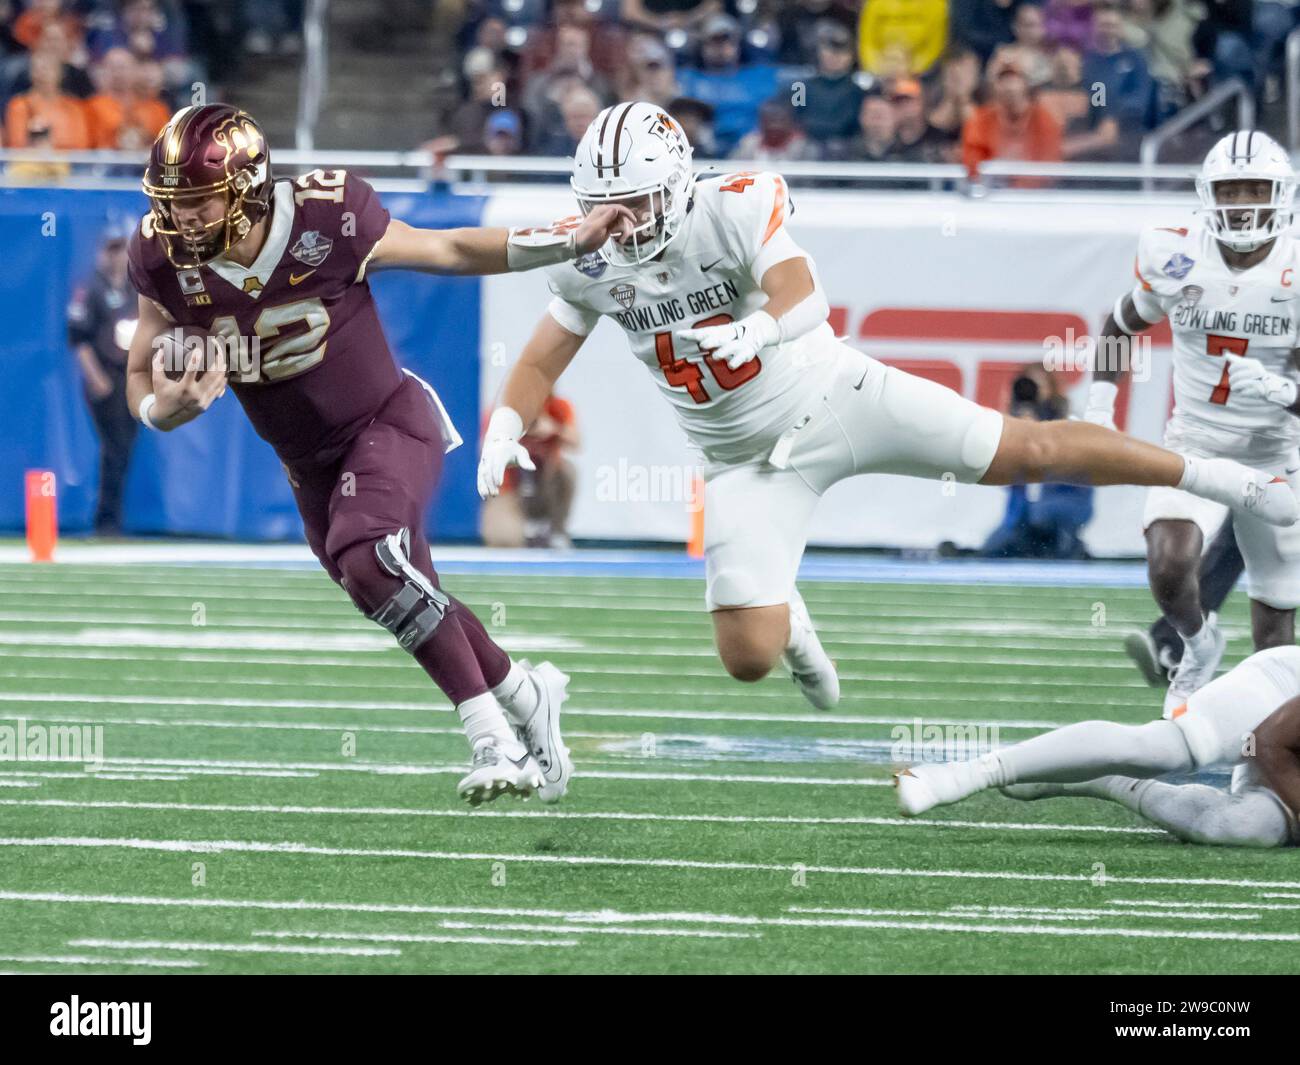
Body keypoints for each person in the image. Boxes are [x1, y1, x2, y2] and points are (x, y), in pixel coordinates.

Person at [477, 100, 1296, 713]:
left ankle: (1219, 477)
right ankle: (791, 617)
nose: (618, 226)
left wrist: (758, 328)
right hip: (744, 463)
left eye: (638, 205)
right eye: (602, 205)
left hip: (838, 397)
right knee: (749, 657)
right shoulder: (584, 253)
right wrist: (506, 425)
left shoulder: (730, 203)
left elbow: (805, 294)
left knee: (1031, 450)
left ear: (678, 185)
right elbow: (549, 347)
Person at [123, 104, 631, 805]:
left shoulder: (326, 219)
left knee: (371, 558)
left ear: (247, 189)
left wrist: (568, 240)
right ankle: (525, 691)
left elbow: (449, 249)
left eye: (197, 201)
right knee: (390, 589)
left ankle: (493, 740)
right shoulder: (161, 256)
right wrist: (161, 410)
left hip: (386, 424)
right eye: (171, 204)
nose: (180, 222)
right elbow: (142, 366)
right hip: (308, 467)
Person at [1086, 131, 1300, 717]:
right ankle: (1196, 643)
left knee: (1274, 636)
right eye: (1232, 191)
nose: (1245, 204)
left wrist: (1283, 390)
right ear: (1209, 196)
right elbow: (1120, 323)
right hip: (1197, 442)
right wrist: (1099, 411)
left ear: (1282, 194)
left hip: (1275, 454)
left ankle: (1260, 764)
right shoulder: (1176, 254)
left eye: (1258, 189)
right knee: (1168, 562)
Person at [896, 644, 1300, 850]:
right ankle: (965, 773)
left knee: (1246, 828)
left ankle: (1107, 780)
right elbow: (1267, 742)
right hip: (1277, 694)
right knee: (1165, 750)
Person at [69, 224, 139, 535]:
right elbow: (79, 339)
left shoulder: (135, 289)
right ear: (101, 253)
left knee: (123, 448)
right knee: (114, 447)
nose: (116, 255)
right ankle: (106, 521)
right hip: (107, 375)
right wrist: (96, 378)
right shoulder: (91, 289)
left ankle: (112, 518)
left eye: (120, 248)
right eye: (111, 249)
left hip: (132, 375)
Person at [979, 368, 1094, 559]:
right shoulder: (1011, 424)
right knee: (994, 547)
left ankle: (1069, 545)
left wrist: (1038, 430)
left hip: (1064, 504)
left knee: (1040, 518)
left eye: (1036, 387)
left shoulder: (1068, 425)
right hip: (1023, 511)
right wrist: (1014, 428)